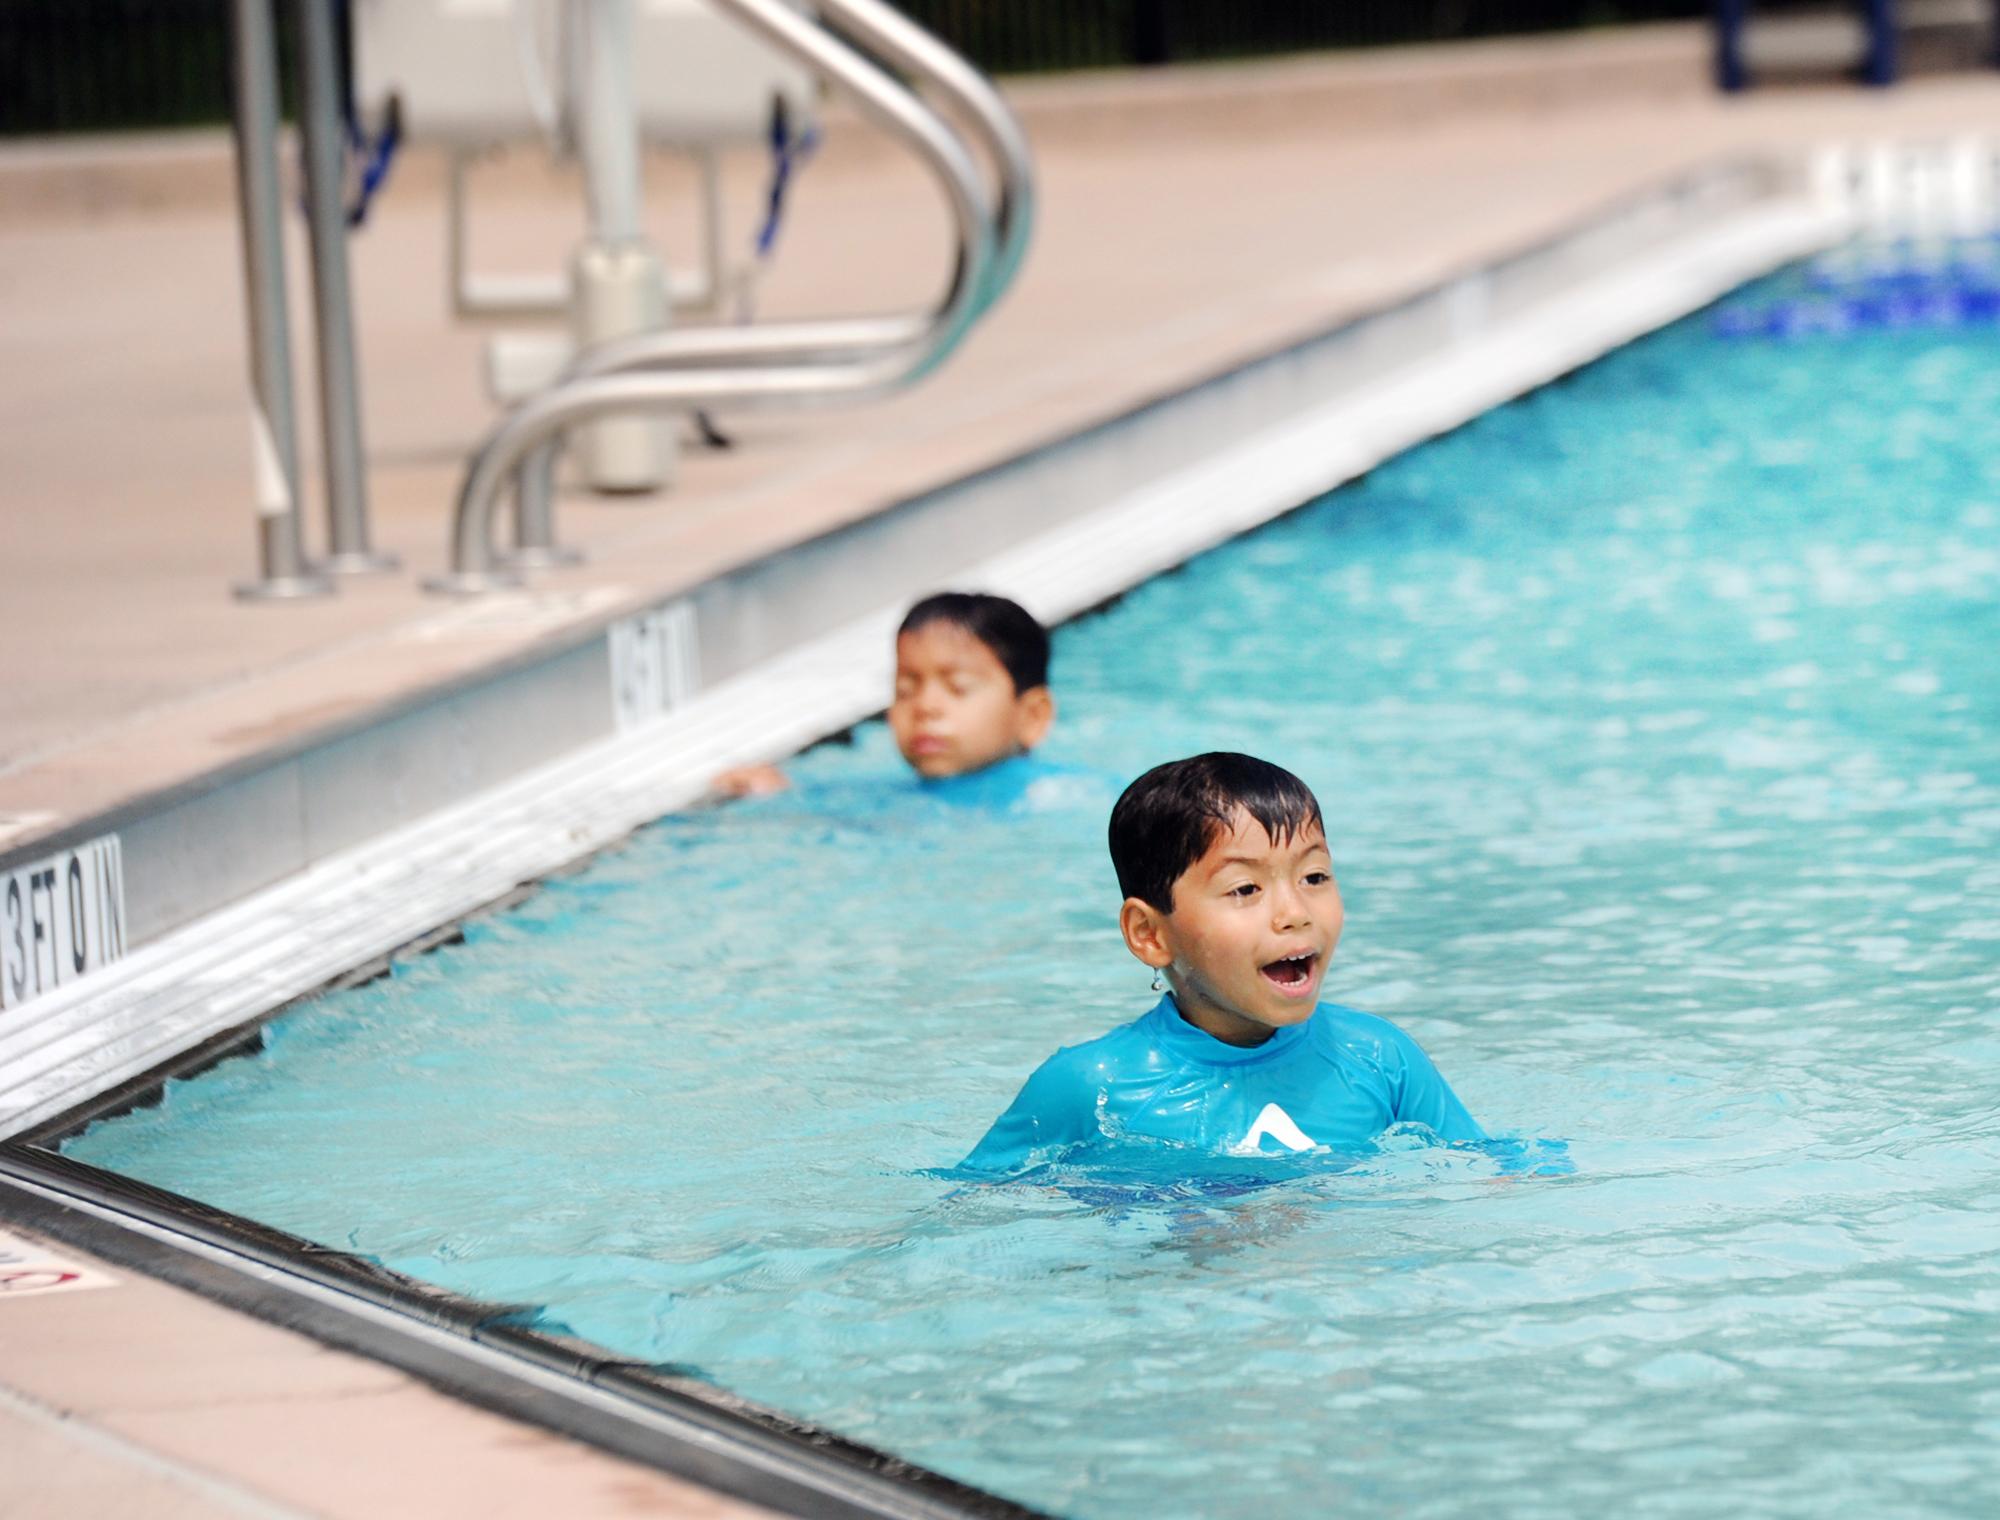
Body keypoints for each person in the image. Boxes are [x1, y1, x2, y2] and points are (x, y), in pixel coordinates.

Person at [959, 752, 1485, 1174]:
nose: (1294, 913)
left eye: (1315, 877)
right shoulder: (1087, 1086)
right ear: (1149, 934)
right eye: (1245, 888)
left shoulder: (1381, 1059)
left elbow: (1490, 1177)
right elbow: (971, 1217)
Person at [713, 591, 1057, 800]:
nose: (925, 707)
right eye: (905, 690)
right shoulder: (885, 795)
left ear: (1032, 717)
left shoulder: (1053, 796)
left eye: (958, 688)